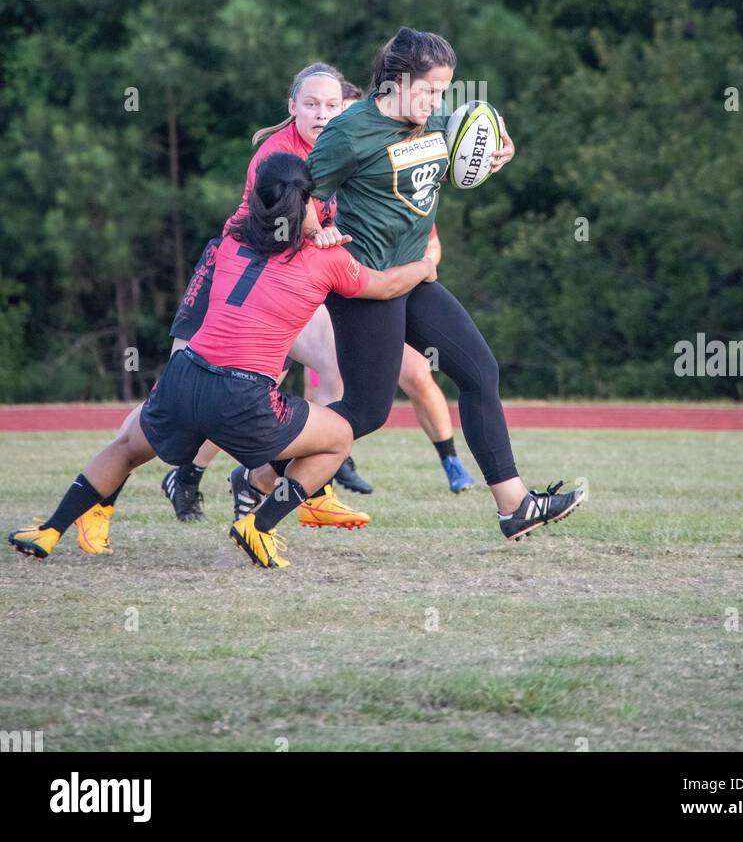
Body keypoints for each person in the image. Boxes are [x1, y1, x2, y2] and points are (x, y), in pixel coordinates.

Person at [232, 27, 585, 543]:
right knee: (365, 414)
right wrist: (316, 227)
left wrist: (494, 156)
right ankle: (260, 478)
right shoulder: (350, 131)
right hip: (366, 283)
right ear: (395, 81)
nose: (438, 102)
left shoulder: (434, 121)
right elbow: (296, 192)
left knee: (479, 371)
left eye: (444, 91)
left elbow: (457, 155)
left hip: (411, 276)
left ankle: (515, 507)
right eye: (428, 91)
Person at [8, 153, 436, 569]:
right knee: (340, 436)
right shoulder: (326, 260)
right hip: (242, 395)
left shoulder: (232, 236)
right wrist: (423, 265)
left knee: (126, 448)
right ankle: (259, 525)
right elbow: (383, 287)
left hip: (186, 376)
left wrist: (307, 223)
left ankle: (49, 530)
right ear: (305, 202)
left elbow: (266, 222)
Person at [305, 80, 474, 498]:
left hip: (388, 282)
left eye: (334, 106)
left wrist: (494, 150)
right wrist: (316, 230)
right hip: (327, 284)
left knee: (417, 375)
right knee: (334, 384)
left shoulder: (406, 156)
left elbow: (430, 240)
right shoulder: (334, 149)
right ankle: (292, 465)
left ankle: (453, 462)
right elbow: (292, 203)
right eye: (316, 105)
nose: (326, 115)